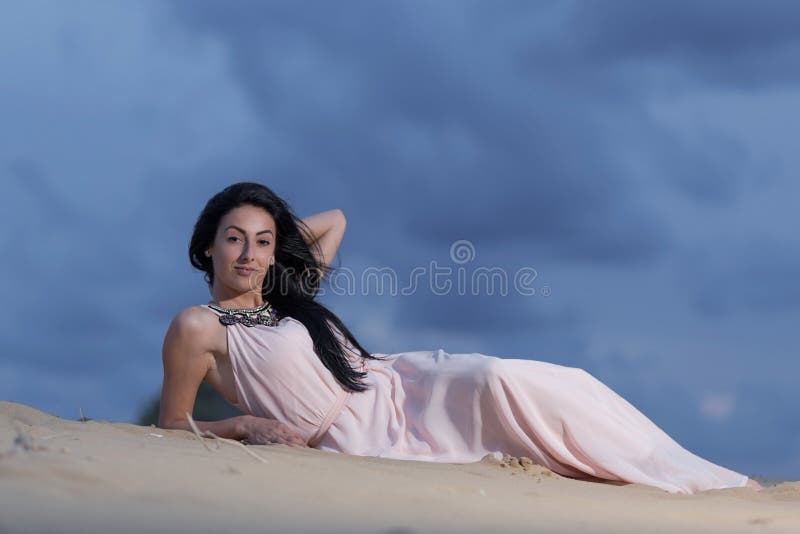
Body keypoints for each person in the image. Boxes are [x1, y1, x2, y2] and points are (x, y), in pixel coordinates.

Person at [158, 182, 762, 494]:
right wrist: (240, 426)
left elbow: (335, 221)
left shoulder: (287, 298)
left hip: (402, 383)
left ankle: (682, 472)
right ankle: (653, 477)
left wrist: (271, 234)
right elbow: (172, 425)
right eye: (233, 238)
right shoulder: (197, 326)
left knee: (532, 380)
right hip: (355, 432)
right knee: (510, 400)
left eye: (262, 241)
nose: (248, 253)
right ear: (207, 243)